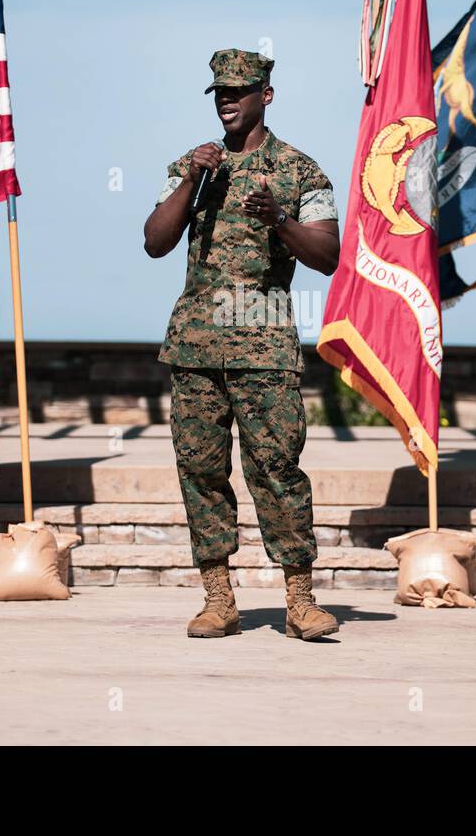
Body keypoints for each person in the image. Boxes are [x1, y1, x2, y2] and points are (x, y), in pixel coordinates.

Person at [143, 49, 342, 640]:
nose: (227, 101)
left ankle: (300, 601)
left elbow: (328, 256)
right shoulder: (192, 165)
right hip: (196, 348)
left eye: (239, 91)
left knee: (277, 470)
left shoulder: (301, 171)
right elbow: (155, 241)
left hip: (264, 347)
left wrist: (280, 219)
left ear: (265, 95)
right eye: (220, 93)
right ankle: (218, 599)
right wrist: (191, 180)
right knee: (200, 470)